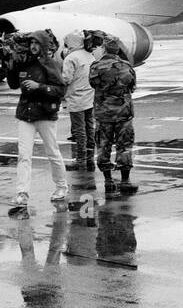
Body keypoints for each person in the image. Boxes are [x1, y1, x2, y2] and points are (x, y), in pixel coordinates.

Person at [7, 31, 68, 209]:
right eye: (31, 42)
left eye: (36, 43)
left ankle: (62, 186)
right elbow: (12, 84)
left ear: (43, 45)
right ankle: (22, 193)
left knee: (52, 152)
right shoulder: (24, 62)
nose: (33, 46)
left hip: (45, 115)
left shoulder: (51, 64)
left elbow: (60, 90)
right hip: (26, 114)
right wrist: (10, 64)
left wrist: (39, 87)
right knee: (23, 155)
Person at [91, 35, 138, 194]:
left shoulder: (96, 67)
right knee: (124, 145)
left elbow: (93, 83)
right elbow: (132, 86)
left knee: (103, 146)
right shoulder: (126, 66)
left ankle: (108, 180)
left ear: (104, 49)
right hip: (123, 113)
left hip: (104, 113)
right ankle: (125, 181)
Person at [61, 31, 96, 171]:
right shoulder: (89, 55)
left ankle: (80, 160)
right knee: (89, 128)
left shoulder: (70, 58)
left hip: (76, 98)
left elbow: (66, 79)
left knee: (79, 130)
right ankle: (90, 158)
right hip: (90, 96)